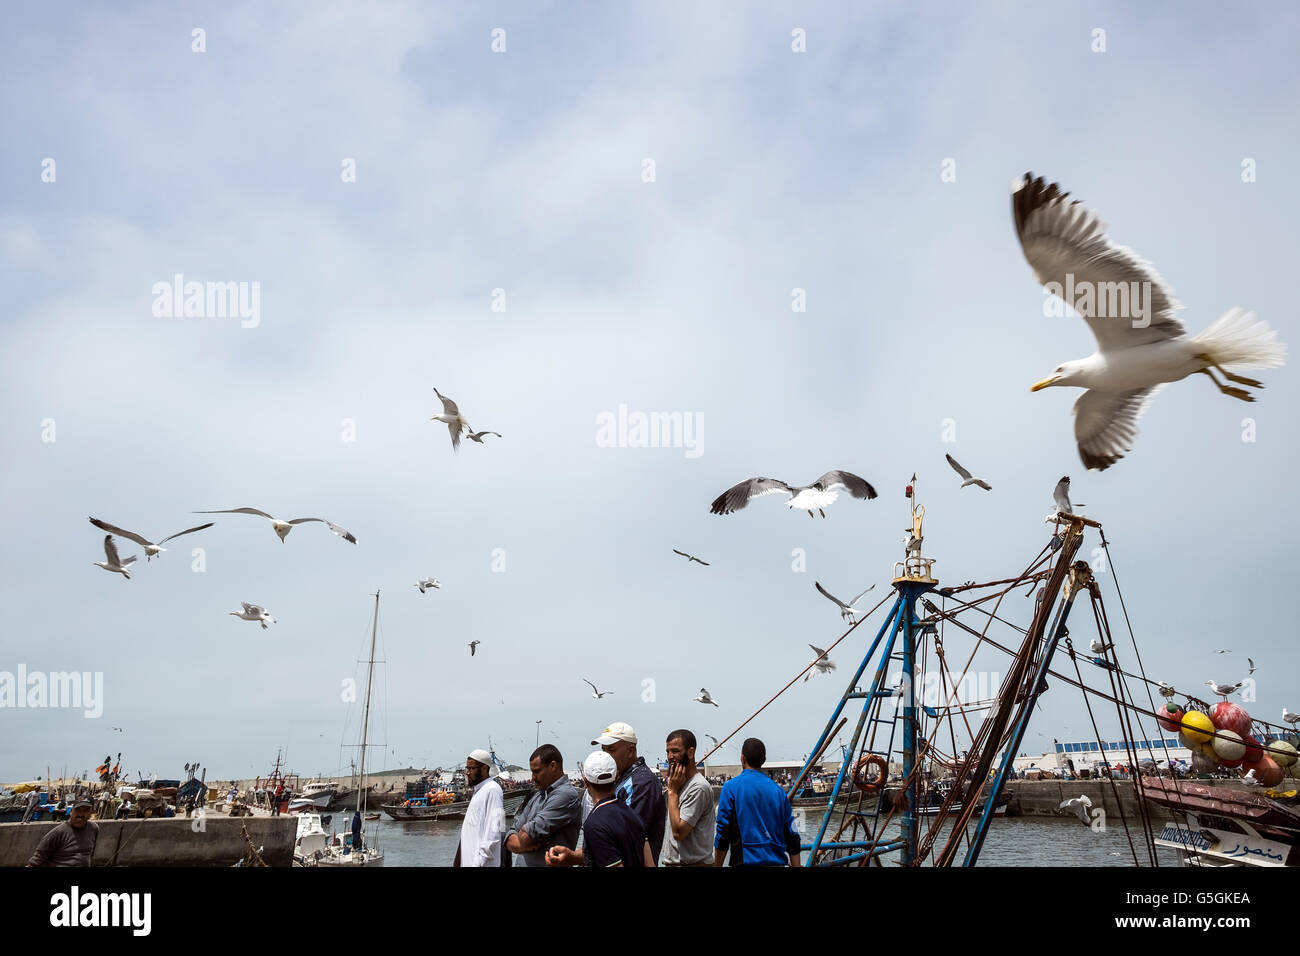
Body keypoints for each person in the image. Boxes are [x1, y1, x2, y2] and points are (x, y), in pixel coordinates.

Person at [545, 752, 652, 868]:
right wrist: (572, 857)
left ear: (585, 781)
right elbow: (650, 864)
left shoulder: (594, 824)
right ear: (616, 778)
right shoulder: (633, 815)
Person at [584, 722, 666, 863]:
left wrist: (573, 856)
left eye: (611, 749)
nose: (606, 756)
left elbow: (624, 839)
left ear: (630, 750)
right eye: (603, 750)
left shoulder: (642, 783)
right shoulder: (623, 778)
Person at [714, 738, 802, 867]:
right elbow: (792, 835)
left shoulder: (731, 788)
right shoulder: (779, 791)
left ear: (742, 758)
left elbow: (722, 834)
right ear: (763, 761)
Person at [504, 744, 582, 866]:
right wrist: (525, 846)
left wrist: (523, 836)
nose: (532, 778)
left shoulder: (566, 796)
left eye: (537, 771)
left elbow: (527, 836)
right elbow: (509, 837)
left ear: (553, 766)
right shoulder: (537, 796)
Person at [662, 729, 716, 867]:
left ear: (690, 752)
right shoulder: (678, 784)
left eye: (675, 751)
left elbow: (679, 832)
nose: (670, 756)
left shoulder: (698, 787)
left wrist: (672, 793)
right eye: (668, 751)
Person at [455, 749, 504, 867]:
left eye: (471, 768)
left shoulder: (493, 790)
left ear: (484, 769)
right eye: (467, 768)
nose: (467, 772)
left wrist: (478, 863)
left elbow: (495, 833)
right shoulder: (479, 791)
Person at [27, 799, 99, 866]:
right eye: (78, 810)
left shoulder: (93, 828)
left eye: (85, 811)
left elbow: (90, 854)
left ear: (90, 813)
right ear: (71, 812)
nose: (81, 814)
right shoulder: (58, 833)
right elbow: (36, 860)